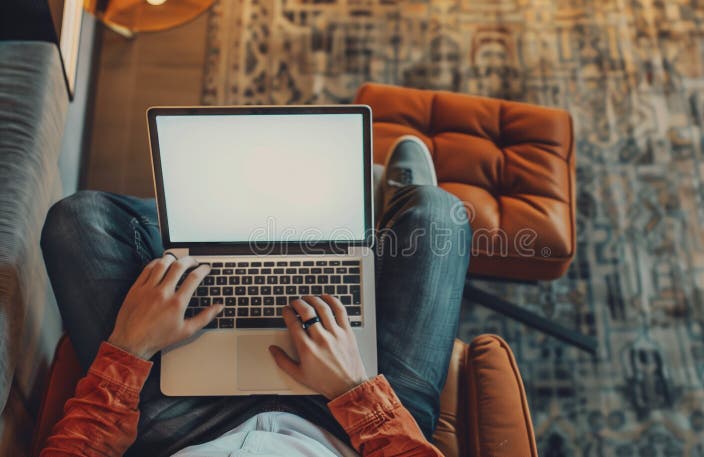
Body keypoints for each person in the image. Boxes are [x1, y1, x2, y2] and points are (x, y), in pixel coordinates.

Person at [39, 136, 471, 457]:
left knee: (77, 219)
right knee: (438, 216)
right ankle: (365, 211)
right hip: (343, 435)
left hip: (176, 429)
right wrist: (352, 387)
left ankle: (215, 226)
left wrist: (129, 349)